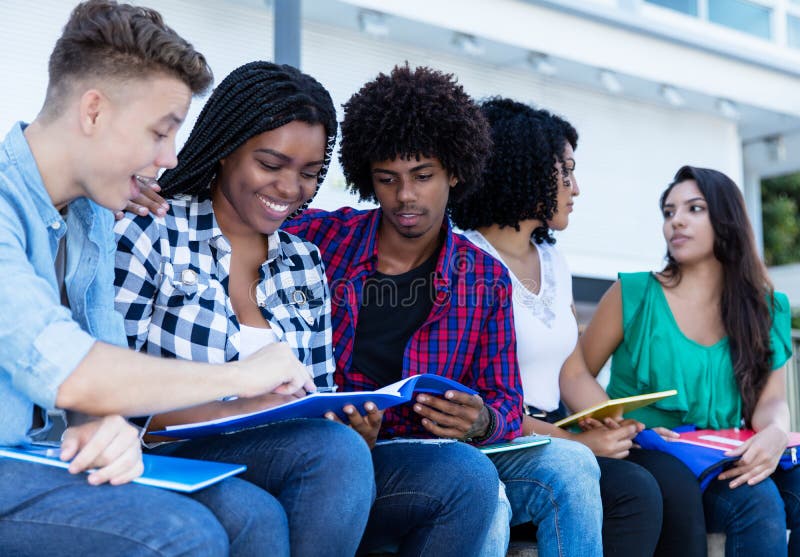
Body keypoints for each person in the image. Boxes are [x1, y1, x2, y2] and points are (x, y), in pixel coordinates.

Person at [0, 2, 317, 555]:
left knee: (253, 518)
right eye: (158, 132)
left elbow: (99, 366)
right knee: (184, 535)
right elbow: (73, 369)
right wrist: (244, 376)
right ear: (93, 112)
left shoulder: (91, 214)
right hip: (7, 460)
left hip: (42, 459)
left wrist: (105, 425)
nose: (170, 159)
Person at [283, 65, 603, 557]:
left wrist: (480, 422)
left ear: (455, 170)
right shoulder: (323, 239)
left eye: (423, 176)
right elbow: (245, 203)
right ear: (367, 178)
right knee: (481, 491)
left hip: (442, 450)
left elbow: (504, 400)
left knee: (574, 464)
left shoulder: (484, 277)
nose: (405, 196)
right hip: (350, 450)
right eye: (387, 179)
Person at [113, 60, 374, 557]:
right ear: (225, 148)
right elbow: (108, 393)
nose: (290, 189)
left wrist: (349, 419)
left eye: (310, 173)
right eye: (271, 165)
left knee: (445, 472)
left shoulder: (304, 261)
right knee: (266, 504)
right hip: (164, 451)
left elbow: (318, 393)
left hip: (287, 452)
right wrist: (248, 406)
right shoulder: (149, 230)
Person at [449, 97, 662, 556]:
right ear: (521, 170)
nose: (576, 188)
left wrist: (619, 424)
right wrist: (580, 442)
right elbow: (475, 399)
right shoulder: (465, 261)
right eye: (565, 171)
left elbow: (571, 370)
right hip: (500, 436)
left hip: (553, 427)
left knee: (669, 476)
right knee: (634, 493)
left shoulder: (552, 259)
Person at [580, 165, 798, 556]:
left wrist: (776, 432)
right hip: (650, 456)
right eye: (668, 212)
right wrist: (620, 422)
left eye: (694, 209)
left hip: (720, 452)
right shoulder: (634, 292)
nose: (676, 221)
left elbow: (771, 400)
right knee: (758, 500)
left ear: (727, 218)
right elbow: (576, 371)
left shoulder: (768, 308)